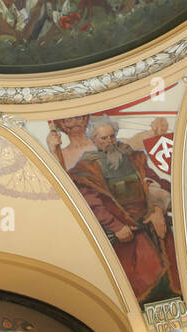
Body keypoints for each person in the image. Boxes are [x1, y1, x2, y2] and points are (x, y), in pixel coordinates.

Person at [70, 118, 179, 304]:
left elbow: (152, 182)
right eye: (103, 138)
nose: (109, 142)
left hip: (153, 224)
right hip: (125, 235)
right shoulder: (86, 170)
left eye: (112, 136)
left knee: (173, 271)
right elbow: (92, 204)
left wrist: (158, 209)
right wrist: (116, 226)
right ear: (94, 141)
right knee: (139, 278)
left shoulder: (134, 158)